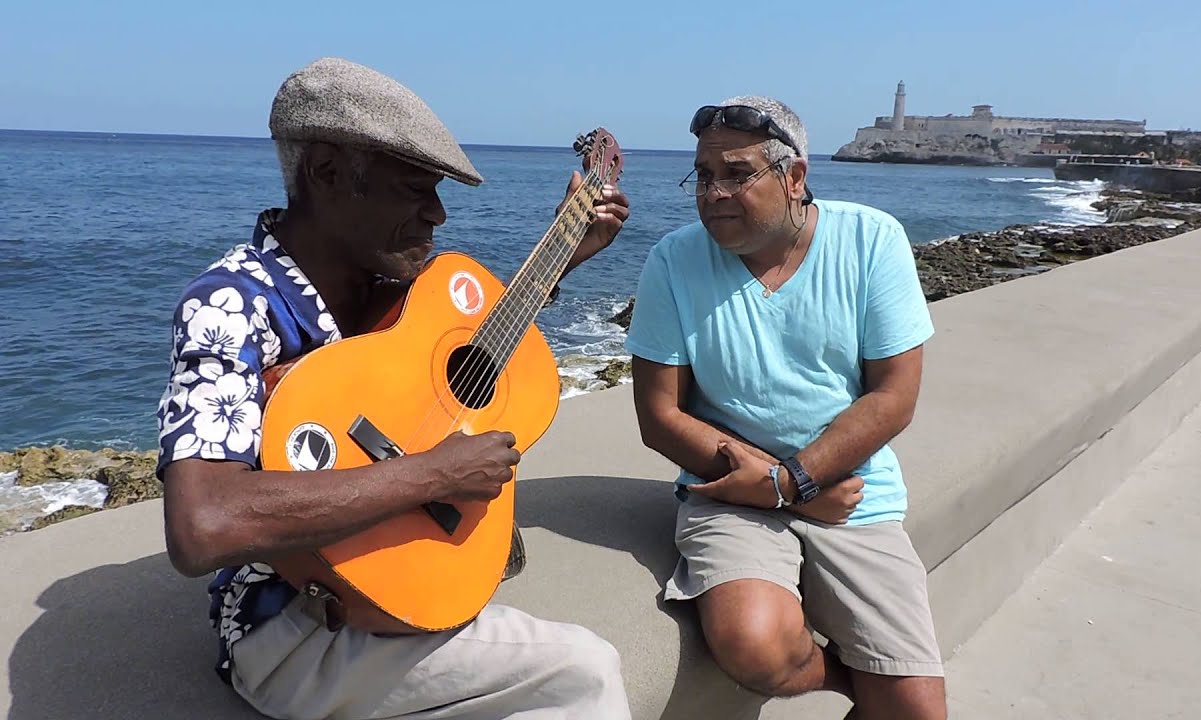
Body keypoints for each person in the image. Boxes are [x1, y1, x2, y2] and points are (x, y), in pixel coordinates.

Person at [155, 57, 633, 720]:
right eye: (414, 188)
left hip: (401, 587)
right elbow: (201, 524)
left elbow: (475, 351)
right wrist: (432, 476)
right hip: (295, 625)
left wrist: (564, 254)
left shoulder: (394, 292)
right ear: (324, 173)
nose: (437, 214)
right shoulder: (232, 304)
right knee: (584, 673)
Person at [625, 96, 946, 720]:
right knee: (756, 647)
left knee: (918, 712)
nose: (713, 192)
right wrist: (780, 490)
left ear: (794, 176)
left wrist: (791, 481)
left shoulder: (871, 240)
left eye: (736, 174)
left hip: (852, 491)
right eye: (703, 174)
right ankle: (860, 679)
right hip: (727, 489)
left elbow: (894, 395)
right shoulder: (674, 259)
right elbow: (659, 417)